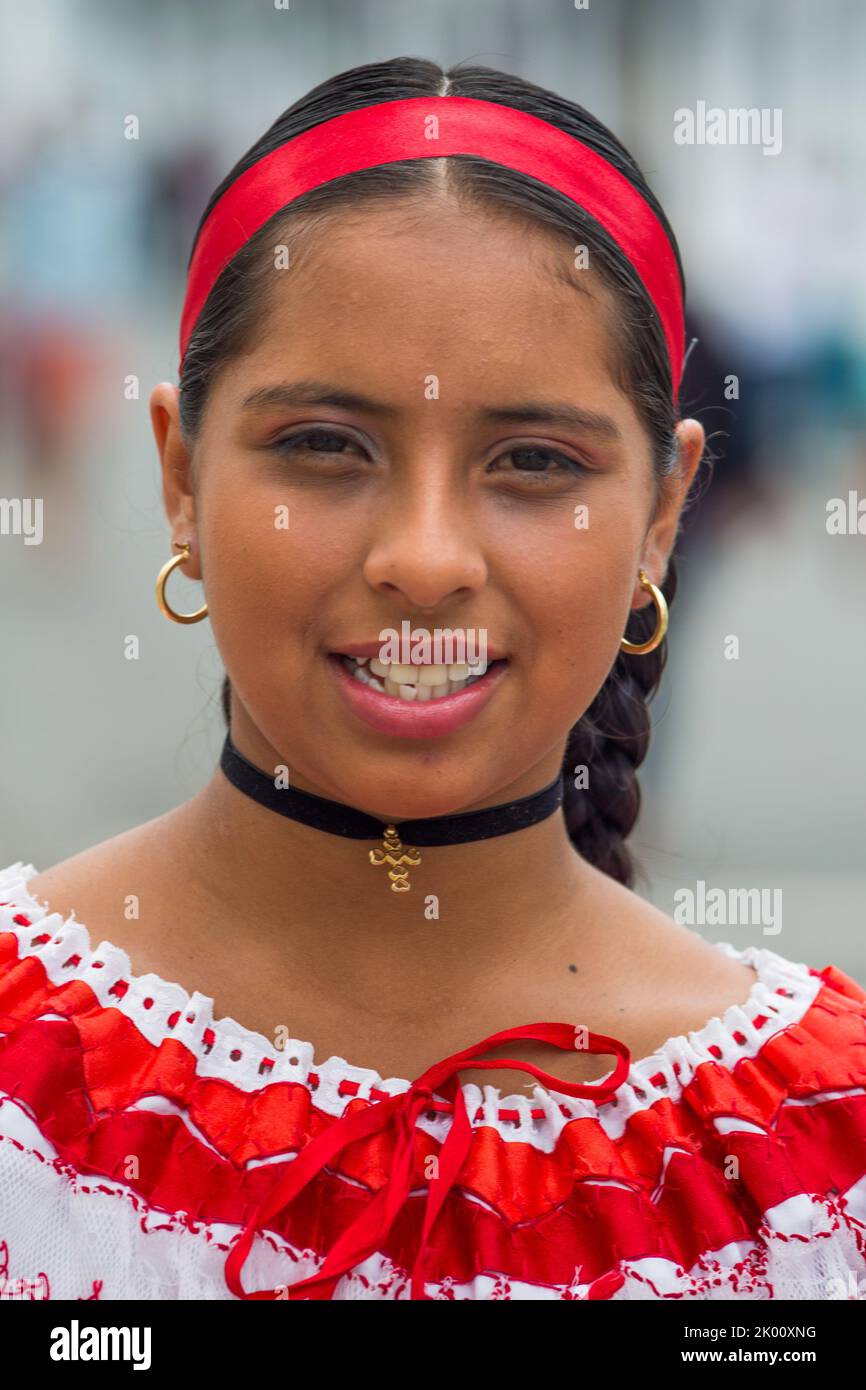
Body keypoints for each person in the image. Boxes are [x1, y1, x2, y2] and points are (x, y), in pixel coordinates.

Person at [1, 58, 864, 1303]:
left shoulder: (811, 1171)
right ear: (180, 476)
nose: (421, 560)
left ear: (662, 518)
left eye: (530, 461)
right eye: (322, 446)